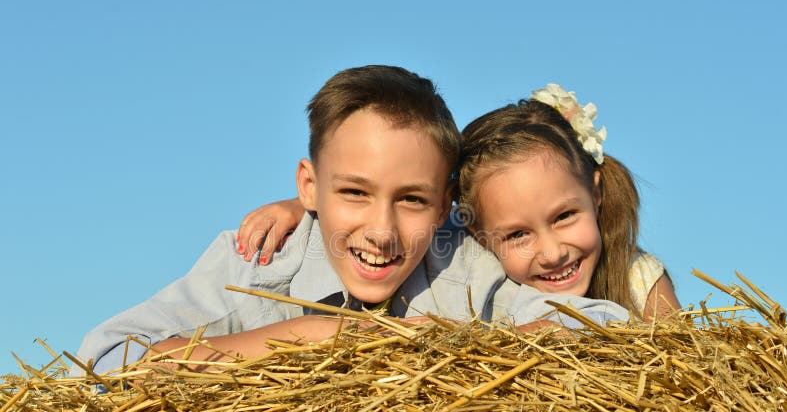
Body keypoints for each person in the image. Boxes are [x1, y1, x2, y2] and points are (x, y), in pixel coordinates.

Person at [75, 68, 627, 375]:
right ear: (309, 187)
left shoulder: (459, 264)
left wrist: (466, 344)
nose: (381, 232)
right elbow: (106, 360)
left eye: (411, 200)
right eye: (355, 193)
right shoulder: (260, 261)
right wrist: (328, 334)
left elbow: (604, 326)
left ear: (444, 206)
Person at [237, 84, 679, 321]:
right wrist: (304, 209)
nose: (552, 252)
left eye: (564, 216)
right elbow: (414, 206)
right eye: (519, 234)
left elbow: (685, 370)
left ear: (596, 193)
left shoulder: (638, 277)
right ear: (472, 227)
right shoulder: (472, 267)